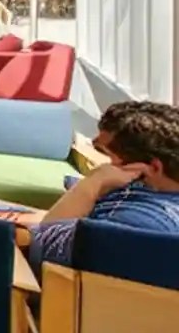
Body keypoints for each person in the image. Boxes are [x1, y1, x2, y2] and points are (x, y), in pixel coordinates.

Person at [15, 101, 179, 271]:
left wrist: (94, 182)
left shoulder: (129, 224)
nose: (100, 165)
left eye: (104, 154)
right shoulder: (154, 194)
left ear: (153, 168)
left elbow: (40, 246)